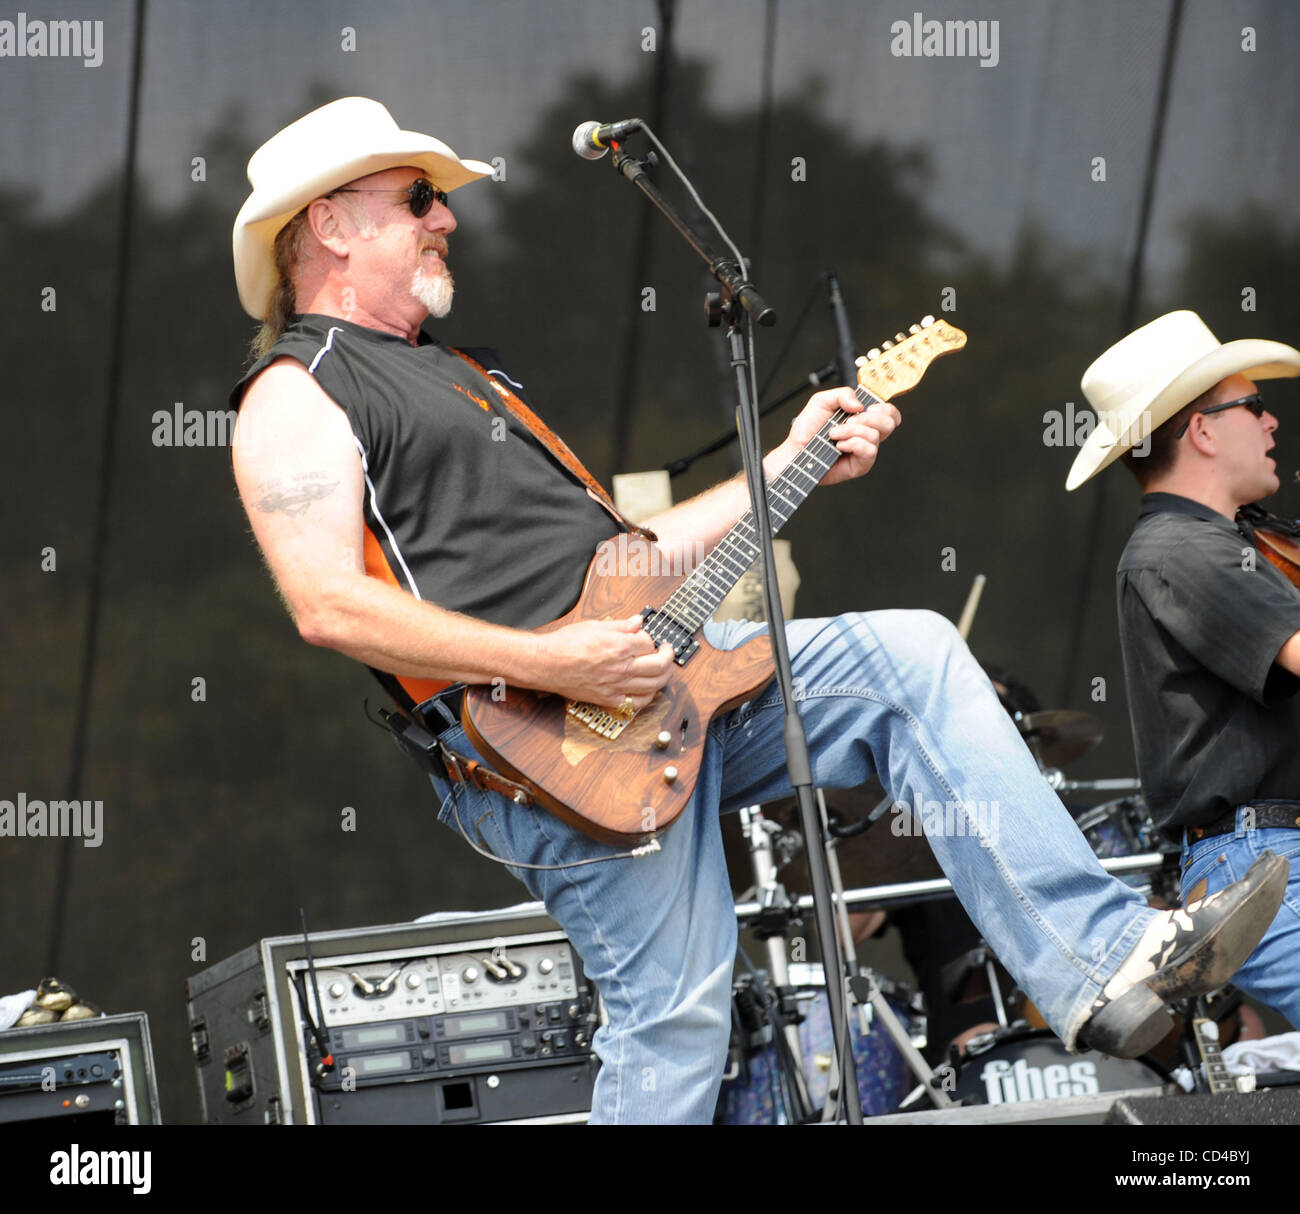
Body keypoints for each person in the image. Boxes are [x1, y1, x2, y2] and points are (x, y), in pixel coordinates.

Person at [228, 100, 1286, 1123]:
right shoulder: (297, 387)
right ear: (329, 220)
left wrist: (787, 464)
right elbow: (328, 606)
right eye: (419, 197)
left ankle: (1100, 965)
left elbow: (629, 560)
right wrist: (559, 667)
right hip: (547, 746)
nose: (446, 217)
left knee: (910, 656)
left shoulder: (466, 374)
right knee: (673, 1025)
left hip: (662, 676)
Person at [1067, 309, 1300, 1030]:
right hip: (1265, 859)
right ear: (1201, 430)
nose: (1273, 425)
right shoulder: (1181, 548)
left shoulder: (1235, 541)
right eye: (1254, 407)